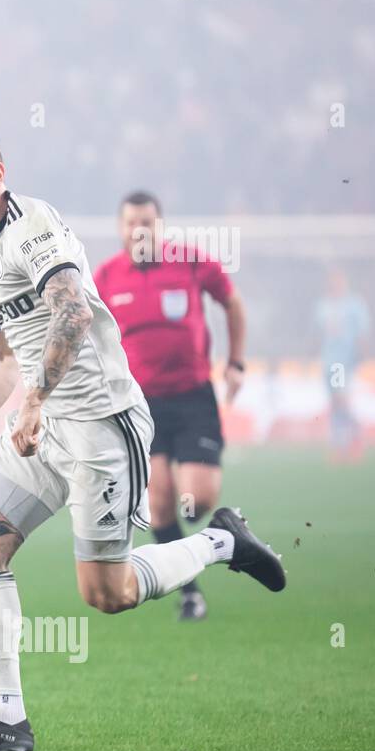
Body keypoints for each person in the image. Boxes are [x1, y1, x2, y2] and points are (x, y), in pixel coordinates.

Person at [0, 127, 285, 751]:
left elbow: (71, 314)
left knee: (107, 594)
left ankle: (223, 539)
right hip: (39, 427)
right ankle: (4, 720)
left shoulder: (34, 227)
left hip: (98, 426)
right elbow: (3, 355)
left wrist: (33, 403)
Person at [93, 192, 247, 621]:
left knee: (196, 501)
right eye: (130, 223)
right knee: (159, 506)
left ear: (160, 225)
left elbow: (232, 301)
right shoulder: (105, 277)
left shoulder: (192, 262)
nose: (139, 230)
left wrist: (235, 362)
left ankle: (214, 539)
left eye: (147, 222)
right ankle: (190, 594)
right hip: (142, 405)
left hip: (193, 397)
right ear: (121, 229)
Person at [315, 268, 371, 462]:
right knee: (335, 402)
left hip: (342, 361)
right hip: (328, 361)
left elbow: (362, 333)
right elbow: (319, 334)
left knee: (341, 400)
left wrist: (360, 355)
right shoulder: (323, 306)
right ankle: (341, 444)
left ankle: (352, 439)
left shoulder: (354, 305)